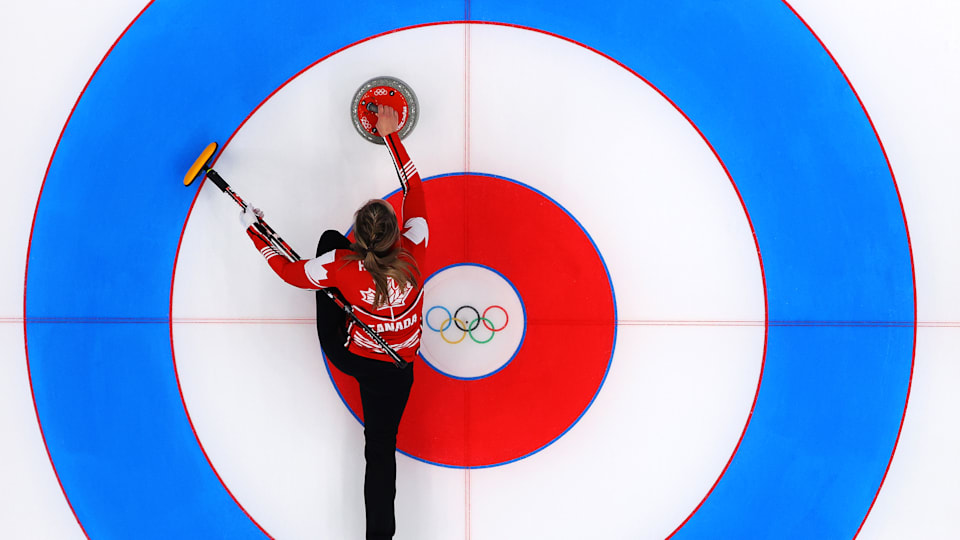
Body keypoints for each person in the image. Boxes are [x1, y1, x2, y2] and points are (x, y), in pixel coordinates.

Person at [239, 105, 427, 540]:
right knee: (380, 450)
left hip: (354, 354)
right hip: (399, 370)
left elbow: (290, 273)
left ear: (360, 240)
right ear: (398, 234)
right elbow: (414, 186)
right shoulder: (417, 250)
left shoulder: (341, 266)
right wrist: (391, 135)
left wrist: (256, 230)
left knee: (325, 242)